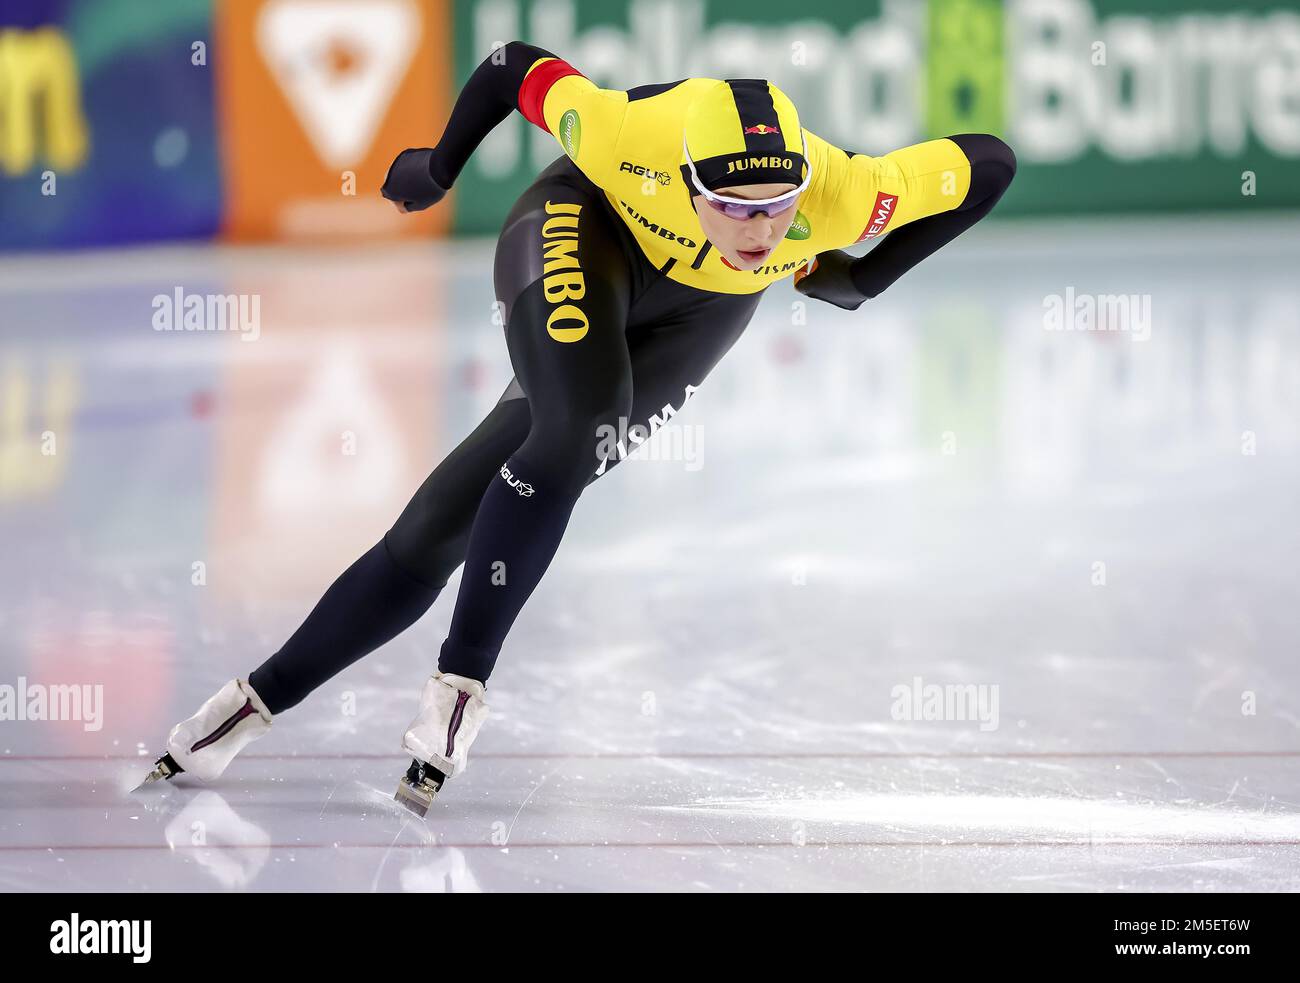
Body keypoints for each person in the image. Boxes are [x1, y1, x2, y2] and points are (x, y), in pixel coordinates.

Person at [139, 42, 1016, 811]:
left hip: (700, 315)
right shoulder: (619, 135)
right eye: (734, 206)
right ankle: (462, 685)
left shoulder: (847, 192)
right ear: (687, 180)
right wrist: (440, 168)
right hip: (581, 229)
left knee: (469, 509)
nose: (758, 230)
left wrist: (867, 278)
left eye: (777, 207)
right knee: (576, 427)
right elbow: (509, 66)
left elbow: (991, 160)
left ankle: (248, 703)